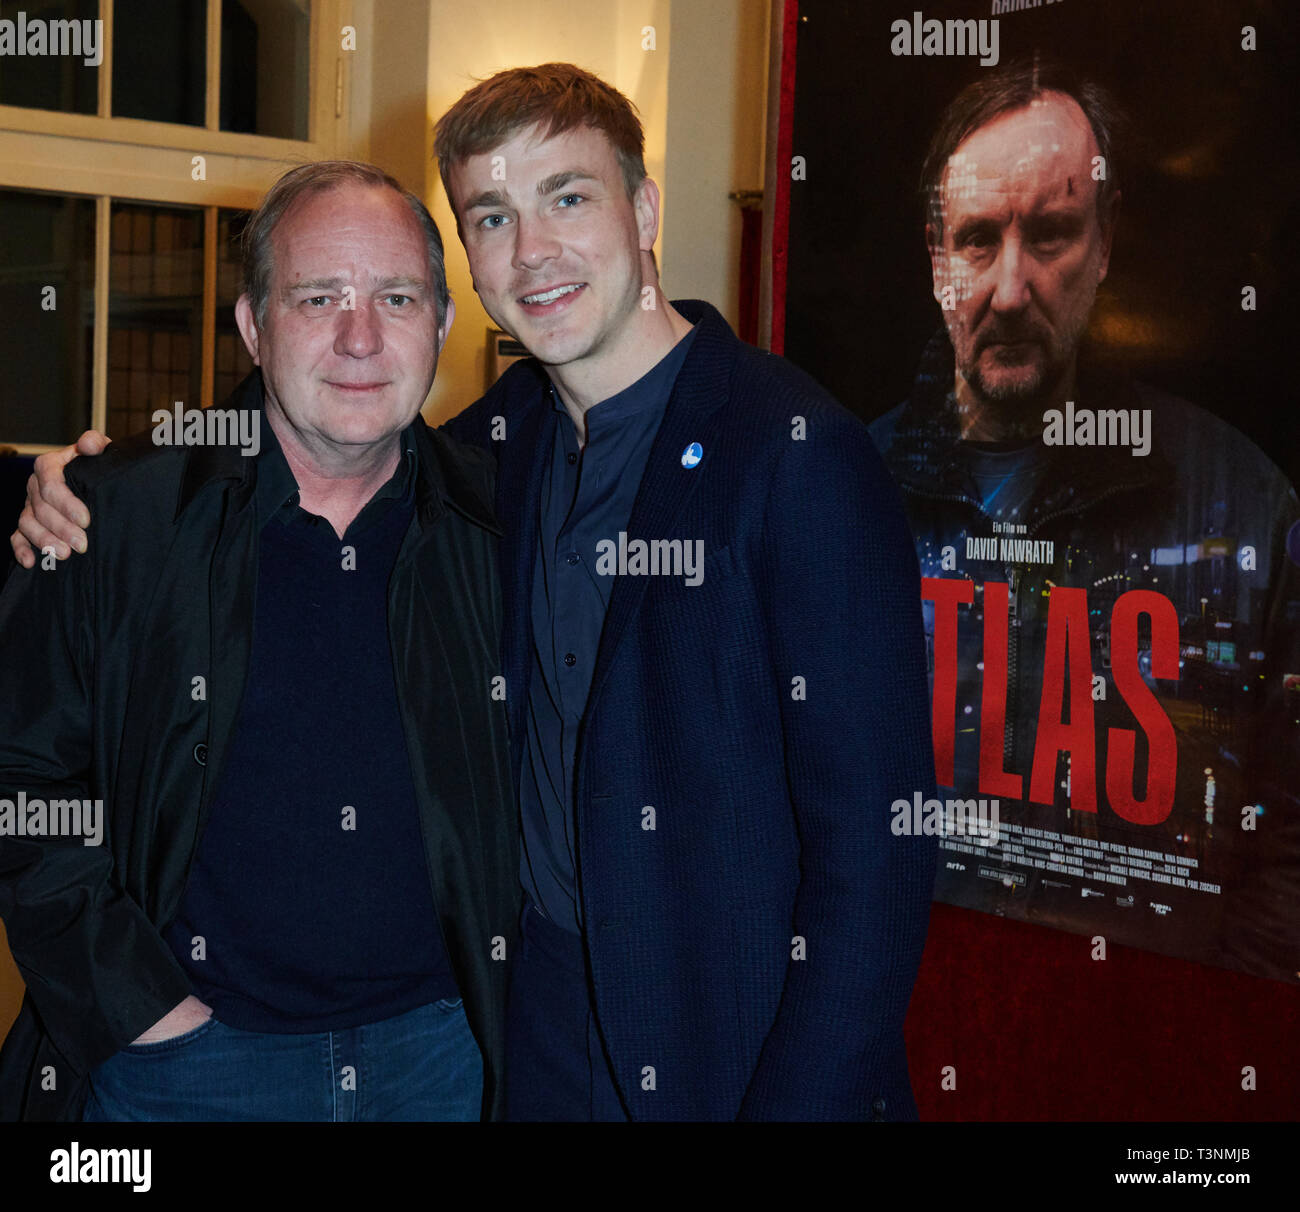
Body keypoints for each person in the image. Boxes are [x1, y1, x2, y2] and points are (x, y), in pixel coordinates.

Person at [13, 64, 940, 1120]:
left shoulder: (791, 452)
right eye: (493, 216)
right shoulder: (502, 448)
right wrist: (65, 486)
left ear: (642, 209)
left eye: (569, 197)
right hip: (513, 1041)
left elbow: (877, 845)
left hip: (713, 1046)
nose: (533, 249)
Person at [0, 162, 517, 1121]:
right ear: (253, 324)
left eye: (396, 298)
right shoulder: (116, 520)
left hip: (440, 1060)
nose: (360, 337)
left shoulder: (506, 525)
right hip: (184, 1069)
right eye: (319, 297)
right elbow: (19, 778)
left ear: (441, 325)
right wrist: (143, 1009)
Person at [868, 58, 1300, 982]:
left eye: (1053, 234)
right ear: (936, 262)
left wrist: (1207, 1039)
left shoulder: (1244, 505)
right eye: (977, 240)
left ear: (1104, 247)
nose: (1012, 288)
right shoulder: (840, 488)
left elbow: (1289, 846)